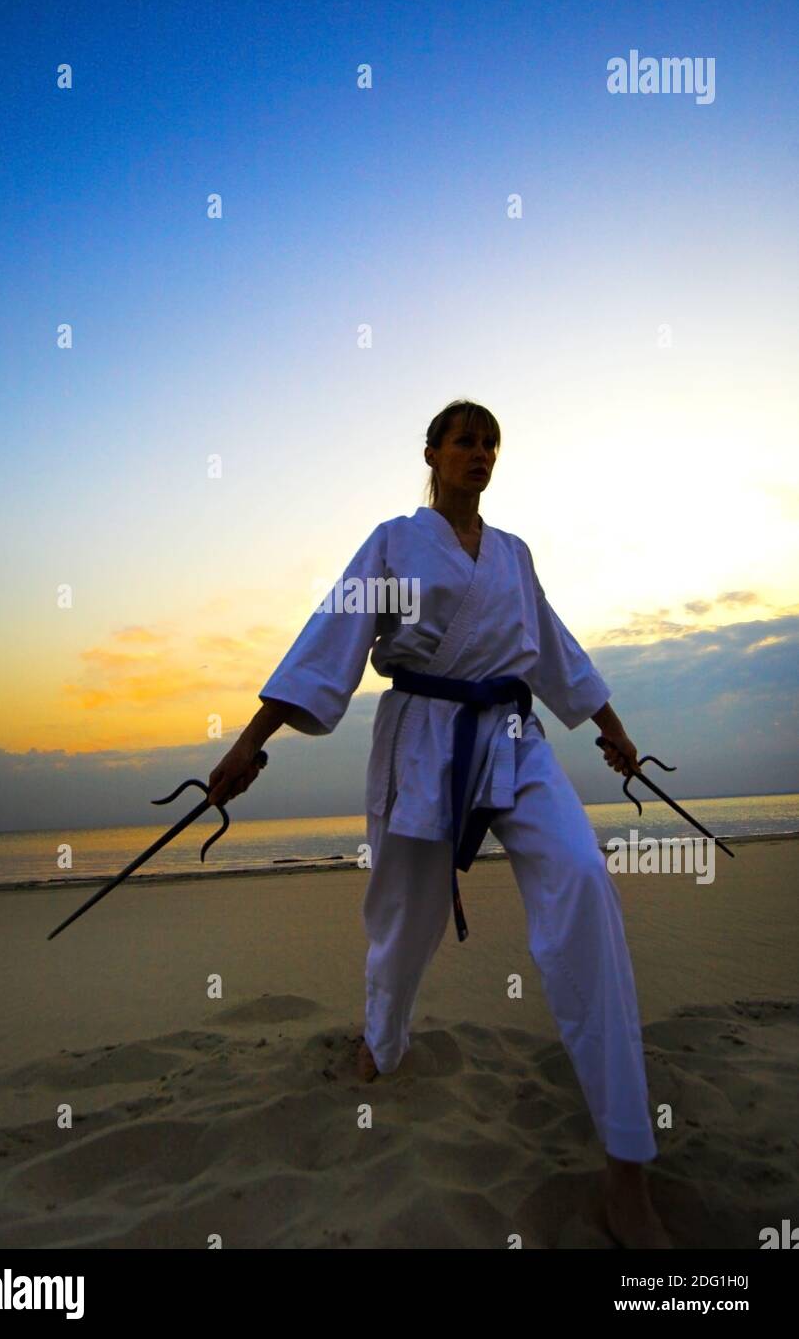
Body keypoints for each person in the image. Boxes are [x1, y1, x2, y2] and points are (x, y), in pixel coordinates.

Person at [208, 398, 672, 1249]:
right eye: (466, 440)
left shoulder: (515, 556)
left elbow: (557, 647)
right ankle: (382, 1042)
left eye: (492, 442)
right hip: (422, 738)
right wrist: (249, 742)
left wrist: (611, 728)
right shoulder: (394, 541)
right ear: (432, 452)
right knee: (403, 922)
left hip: (514, 735)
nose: (481, 454)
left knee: (582, 880)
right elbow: (333, 634)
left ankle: (626, 1166)